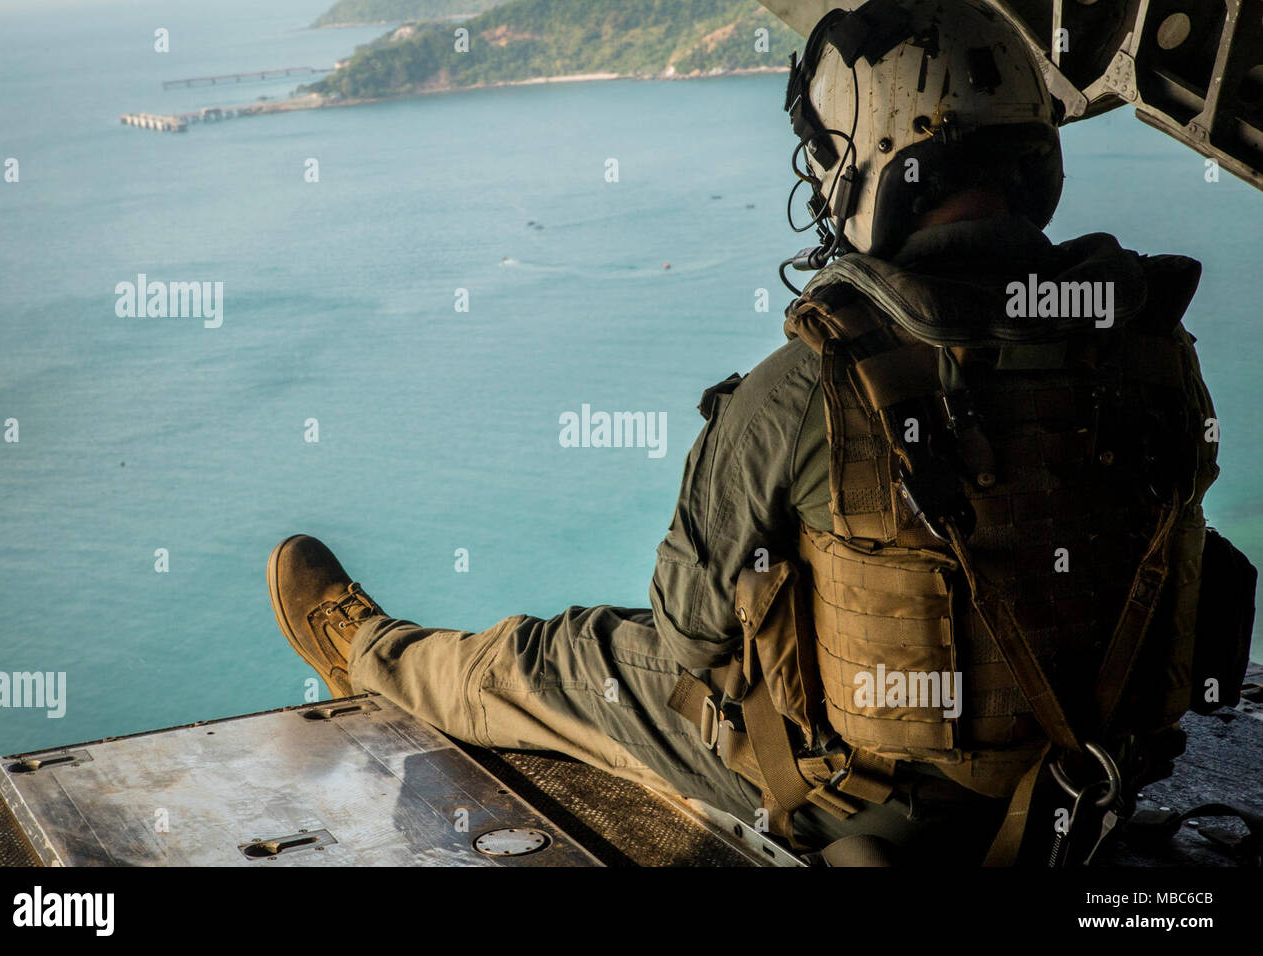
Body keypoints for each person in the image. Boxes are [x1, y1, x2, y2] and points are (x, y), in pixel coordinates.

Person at [267, 0, 1229, 865]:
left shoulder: (809, 384)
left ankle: (366, 652)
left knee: (561, 656)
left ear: (873, 158)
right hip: (1085, 788)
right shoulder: (1154, 351)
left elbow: (688, 638)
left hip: (863, 807)